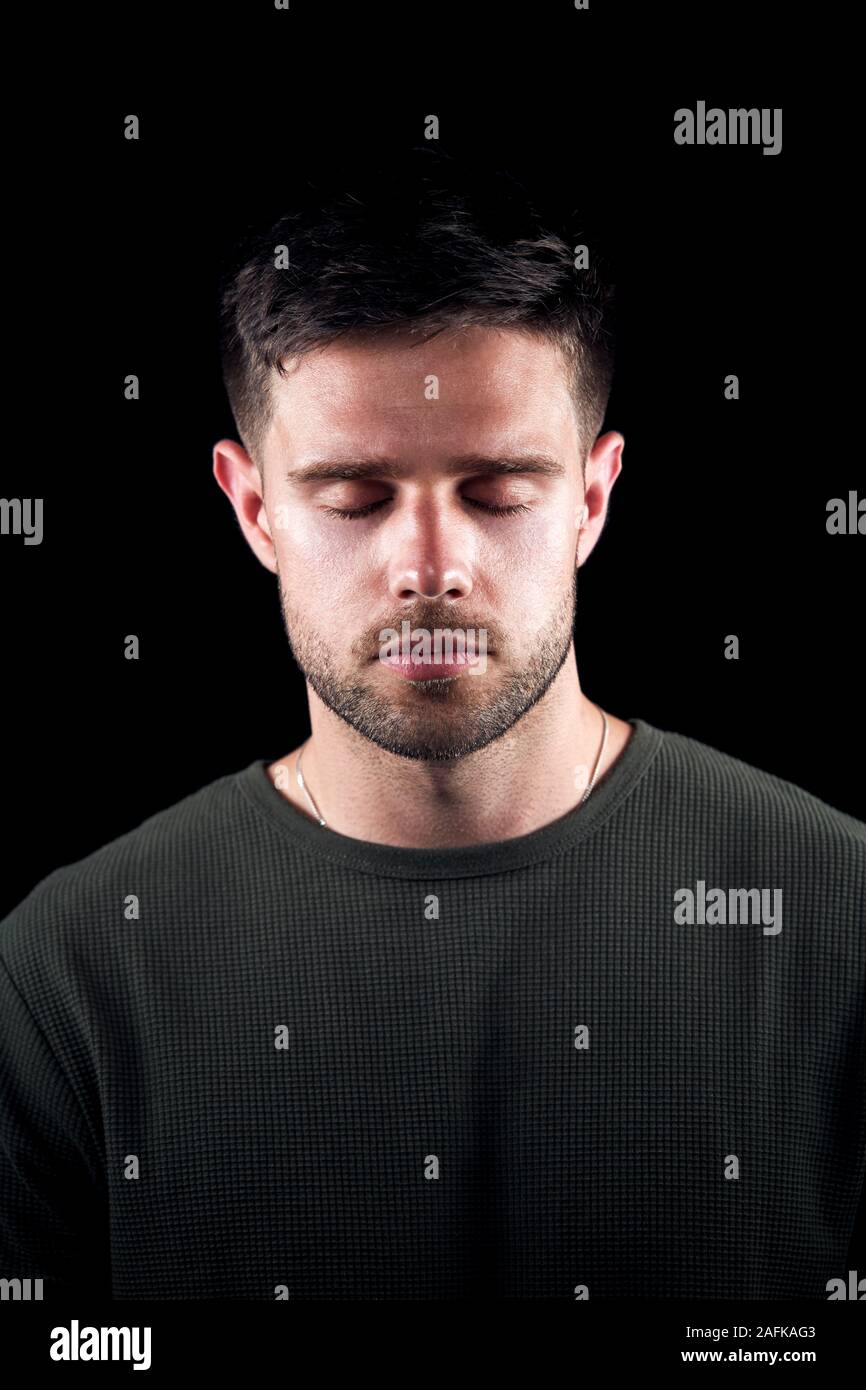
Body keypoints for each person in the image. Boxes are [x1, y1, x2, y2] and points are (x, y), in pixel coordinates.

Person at [1, 147, 863, 1301]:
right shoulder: (67, 971)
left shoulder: (840, 920)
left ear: (591, 498)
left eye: (496, 491)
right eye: (353, 497)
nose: (428, 567)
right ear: (251, 506)